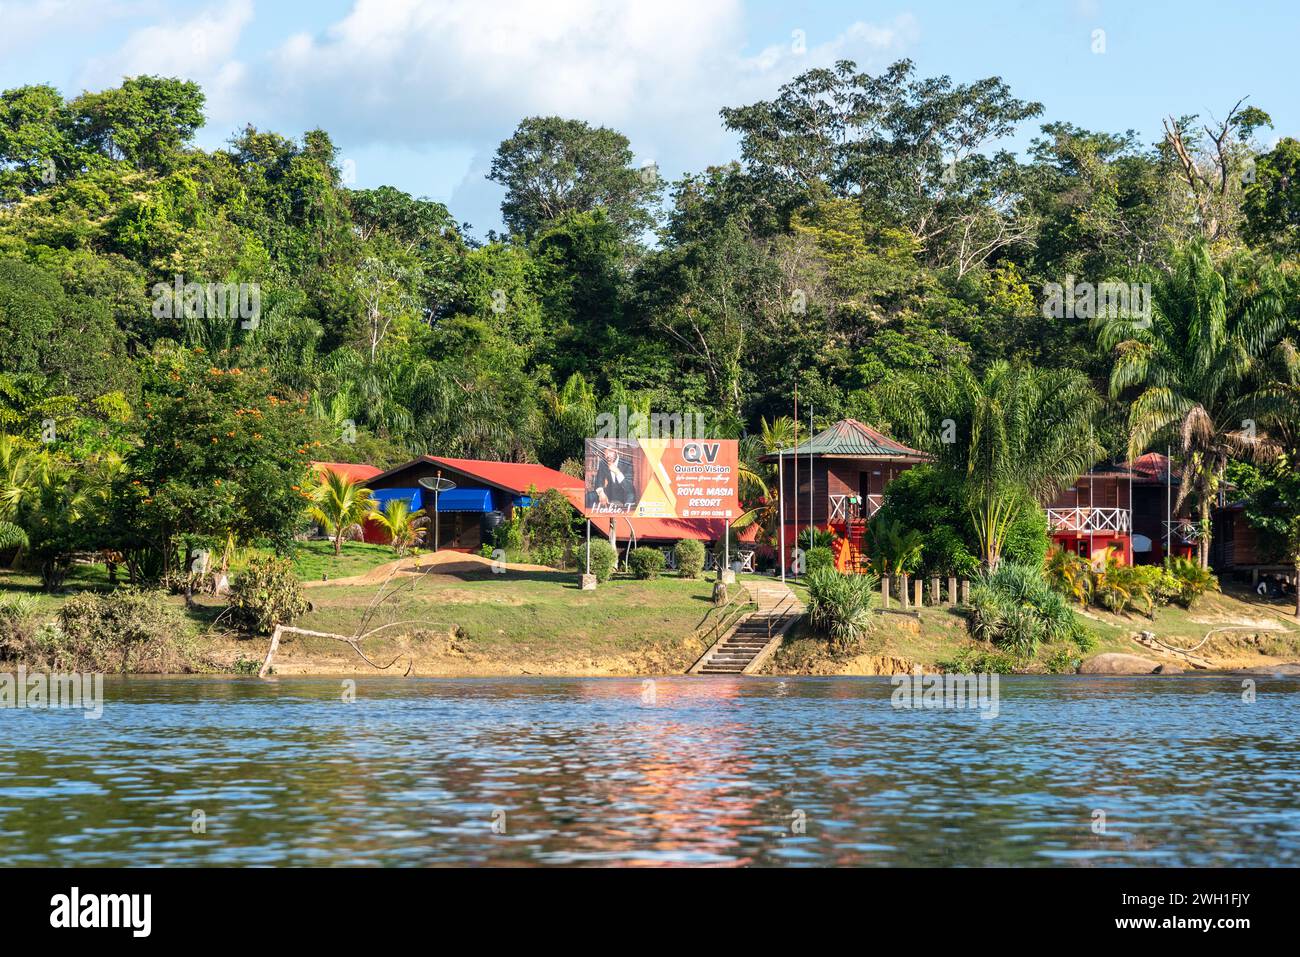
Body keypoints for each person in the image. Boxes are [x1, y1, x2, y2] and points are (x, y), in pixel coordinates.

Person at [588, 444, 637, 511]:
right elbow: (599, 482)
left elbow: (628, 487)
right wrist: (601, 493)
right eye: (605, 453)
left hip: (624, 493)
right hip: (610, 492)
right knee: (590, 496)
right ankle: (591, 519)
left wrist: (617, 472)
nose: (608, 455)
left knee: (630, 497)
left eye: (610, 452)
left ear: (616, 451)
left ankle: (626, 518)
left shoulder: (626, 463)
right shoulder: (603, 463)